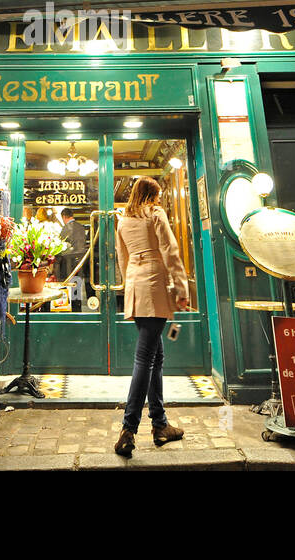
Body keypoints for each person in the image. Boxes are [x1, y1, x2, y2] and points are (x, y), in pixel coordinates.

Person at [113, 176, 189, 457]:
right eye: (156, 196)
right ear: (151, 196)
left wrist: (128, 285)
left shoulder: (122, 219)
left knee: (156, 356)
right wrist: (181, 287)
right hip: (155, 285)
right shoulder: (155, 214)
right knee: (145, 358)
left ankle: (160, 424)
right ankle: (128, 429)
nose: (158, 201)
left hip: (135, 286)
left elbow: (122, 258)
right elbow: (170, 250)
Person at [57, 207, 89, 311]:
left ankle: (67, 309)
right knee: (77, 287)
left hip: (68, 263)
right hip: (80, 261)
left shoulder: (66, 228)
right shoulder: (81, 227)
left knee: (66, 287)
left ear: (64, 217)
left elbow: (59, 246)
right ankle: (77, 308)